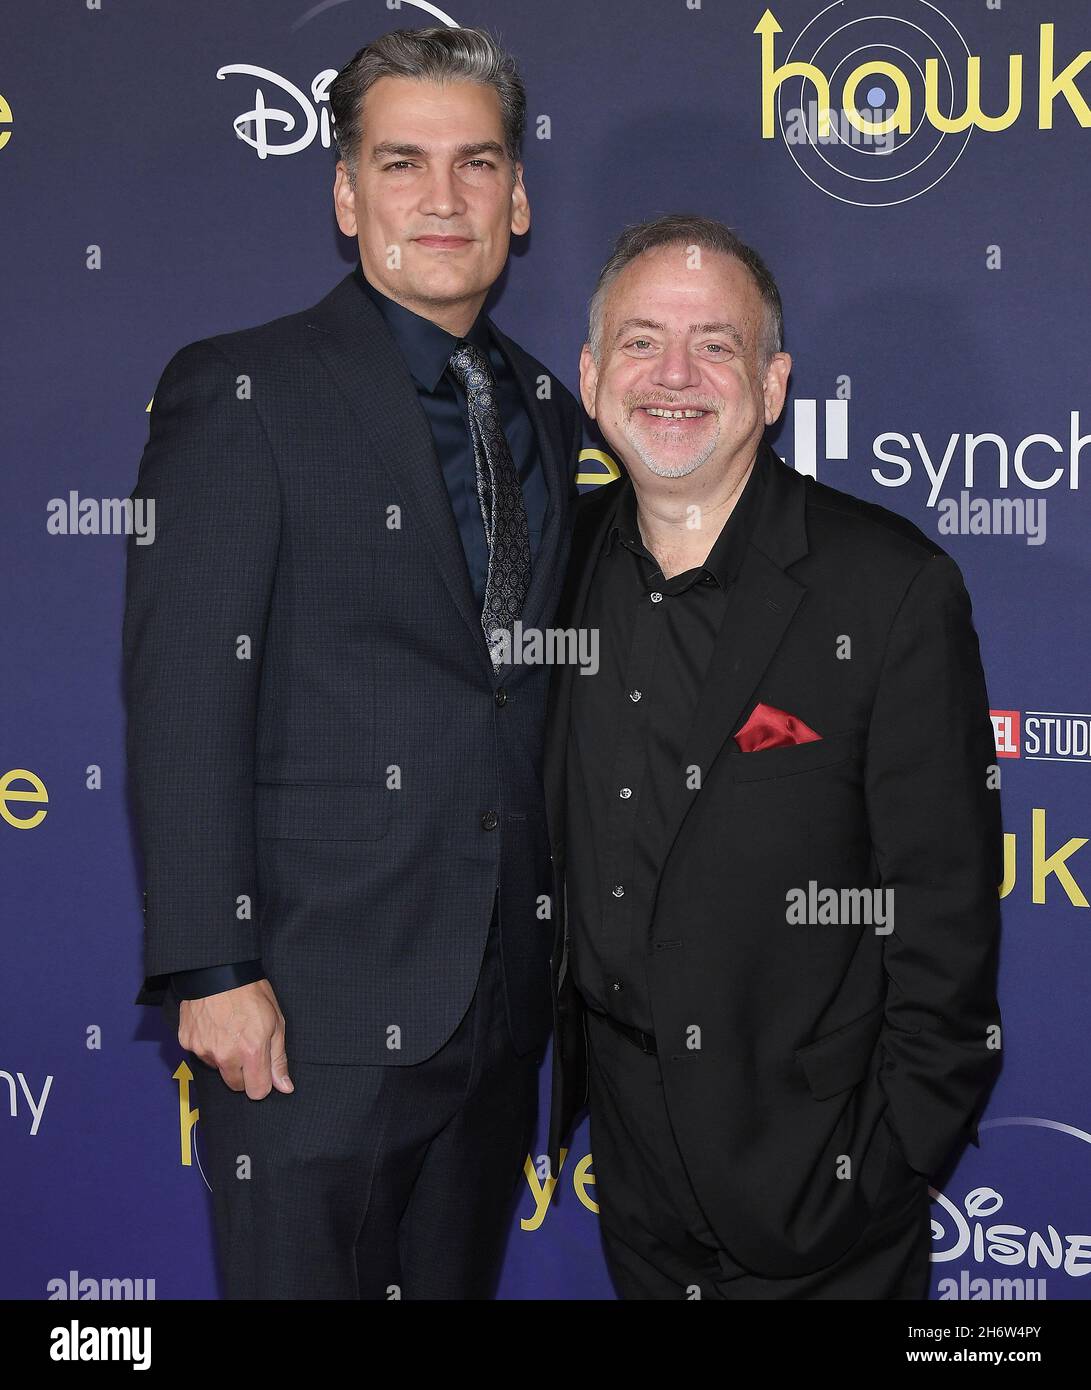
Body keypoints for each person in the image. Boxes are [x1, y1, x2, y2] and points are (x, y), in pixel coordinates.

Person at [124, 25, 581, 1299]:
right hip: (307, 1013)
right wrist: (214, 968)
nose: (442, 199)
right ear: (344, 193)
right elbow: (182, 692)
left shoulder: (549, 410)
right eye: (401, 162)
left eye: (476, 163)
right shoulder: (244, 390)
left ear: (518, 195)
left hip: (497, 1009)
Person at [545, 213, 1003, 1299]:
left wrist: (886, 1160)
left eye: (715, 344)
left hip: (817, 1174)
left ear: (772, 382)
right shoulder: (554, 567)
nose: (672, 375)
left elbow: (940, 907)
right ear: (589, 372)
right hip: (629, 1161)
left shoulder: (885, 588)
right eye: (640, 339)